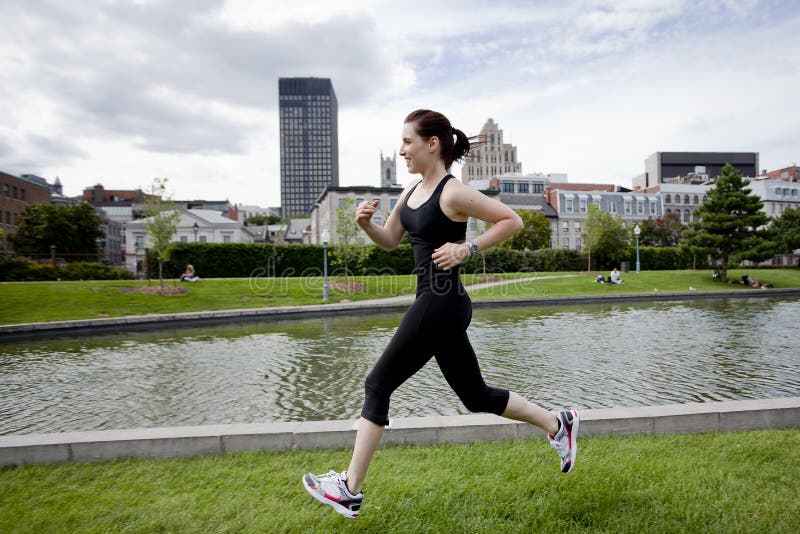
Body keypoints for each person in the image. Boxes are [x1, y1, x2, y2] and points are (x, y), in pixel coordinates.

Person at [302, 110, 579, 519]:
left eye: (408, 142)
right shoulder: (411, 190)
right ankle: (559, 424)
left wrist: (468, 248)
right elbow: (391, 240)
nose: (401, 151)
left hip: (442, 300)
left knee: (377, 384)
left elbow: (512, 220)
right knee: (474, 395)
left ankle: (349, 488)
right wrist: (366, 225)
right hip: (436, 302)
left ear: (432, 144)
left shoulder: (453, 192)